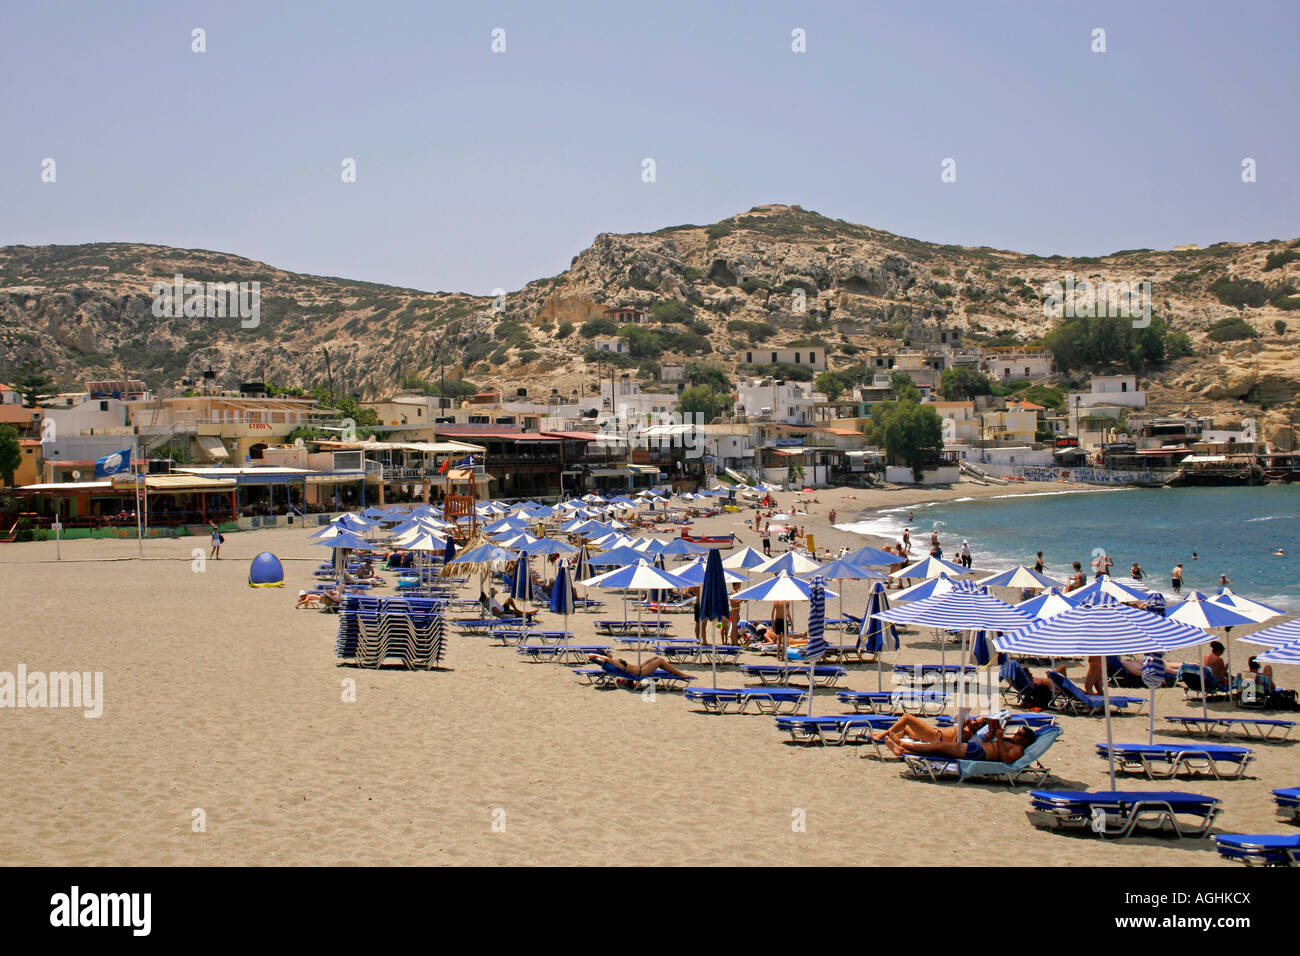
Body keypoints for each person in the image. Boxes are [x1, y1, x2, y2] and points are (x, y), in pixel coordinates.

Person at [886, 719, 1037, 764]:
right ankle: (904, 751)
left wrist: (999, 740)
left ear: (1025, 740)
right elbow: (992, 745)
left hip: (977, 753)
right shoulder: (1009, 742)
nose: (1016, 734)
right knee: (939, 750)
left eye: (1020, 734)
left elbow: (1006, 760)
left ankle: (904, 744)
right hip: (977, 748)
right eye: (1018, 732)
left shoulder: (1018, 750)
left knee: (939, 746)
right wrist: (991, 736)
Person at [586, 652, 692, 680]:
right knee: (660, 660)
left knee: (655, 658)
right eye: (607, 652)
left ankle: (672, 672)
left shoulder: (612, 663)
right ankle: (680, 674)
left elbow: (607, 658)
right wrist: (595, 655)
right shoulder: (612, 662)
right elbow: (607, 658)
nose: (609, 653)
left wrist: (595, 657)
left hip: (640, 668)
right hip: (641, 672)